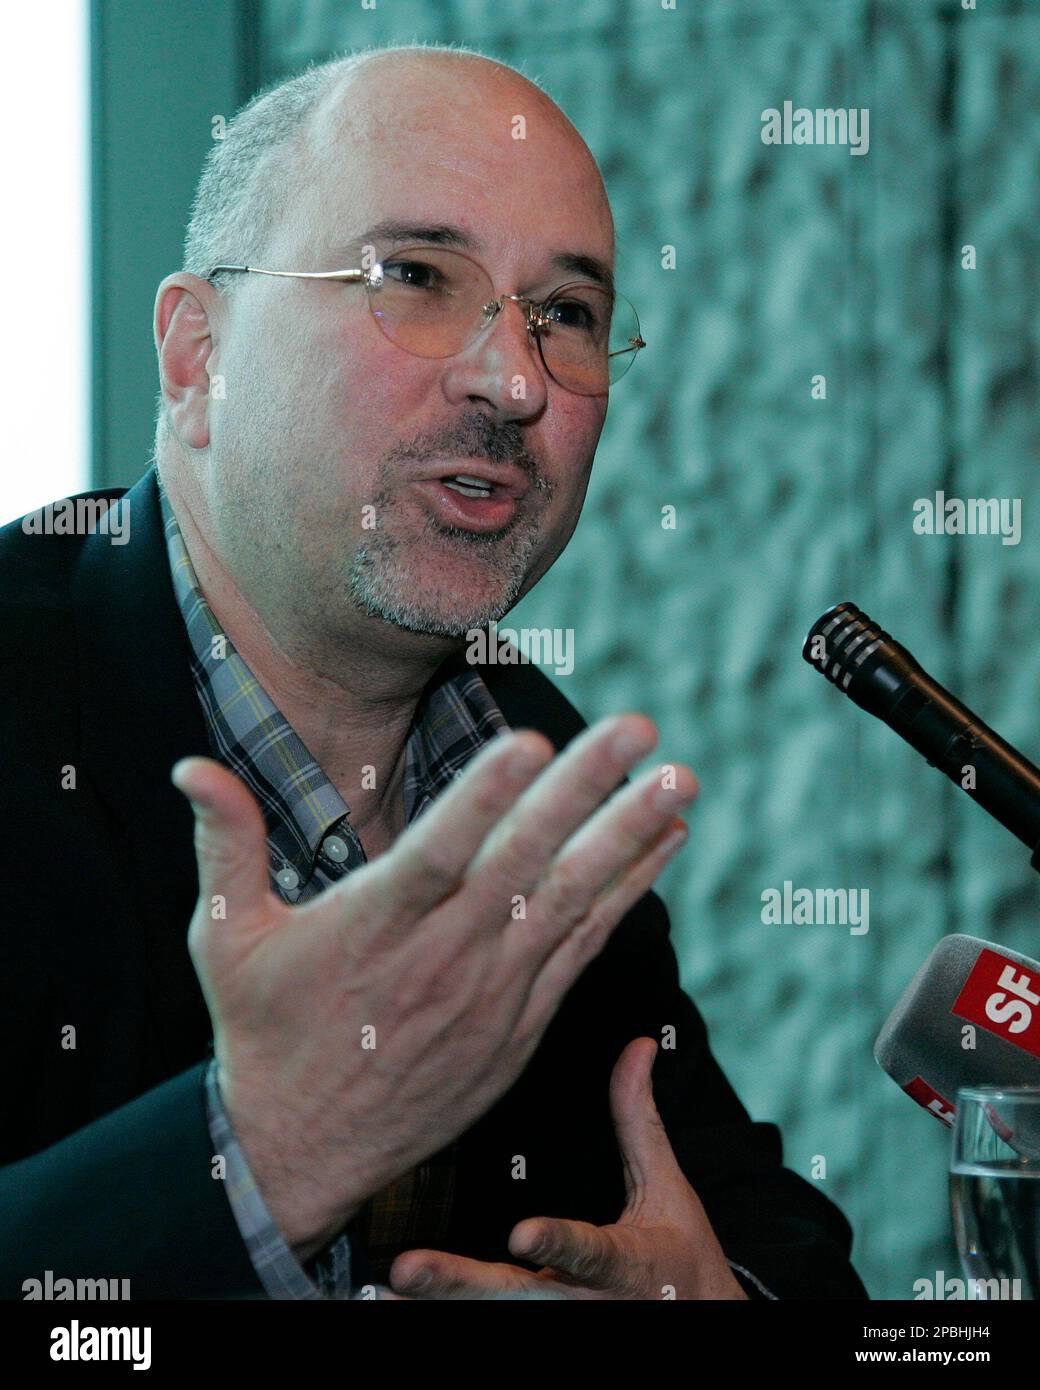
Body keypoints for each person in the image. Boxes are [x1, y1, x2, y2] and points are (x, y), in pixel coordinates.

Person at [0, 42, 867, 1301]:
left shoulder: (530, 768)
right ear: (197, 358)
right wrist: (259, 1156)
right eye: (412, 276)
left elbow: (767, 1241)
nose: (513, 381)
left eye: (564, 314)